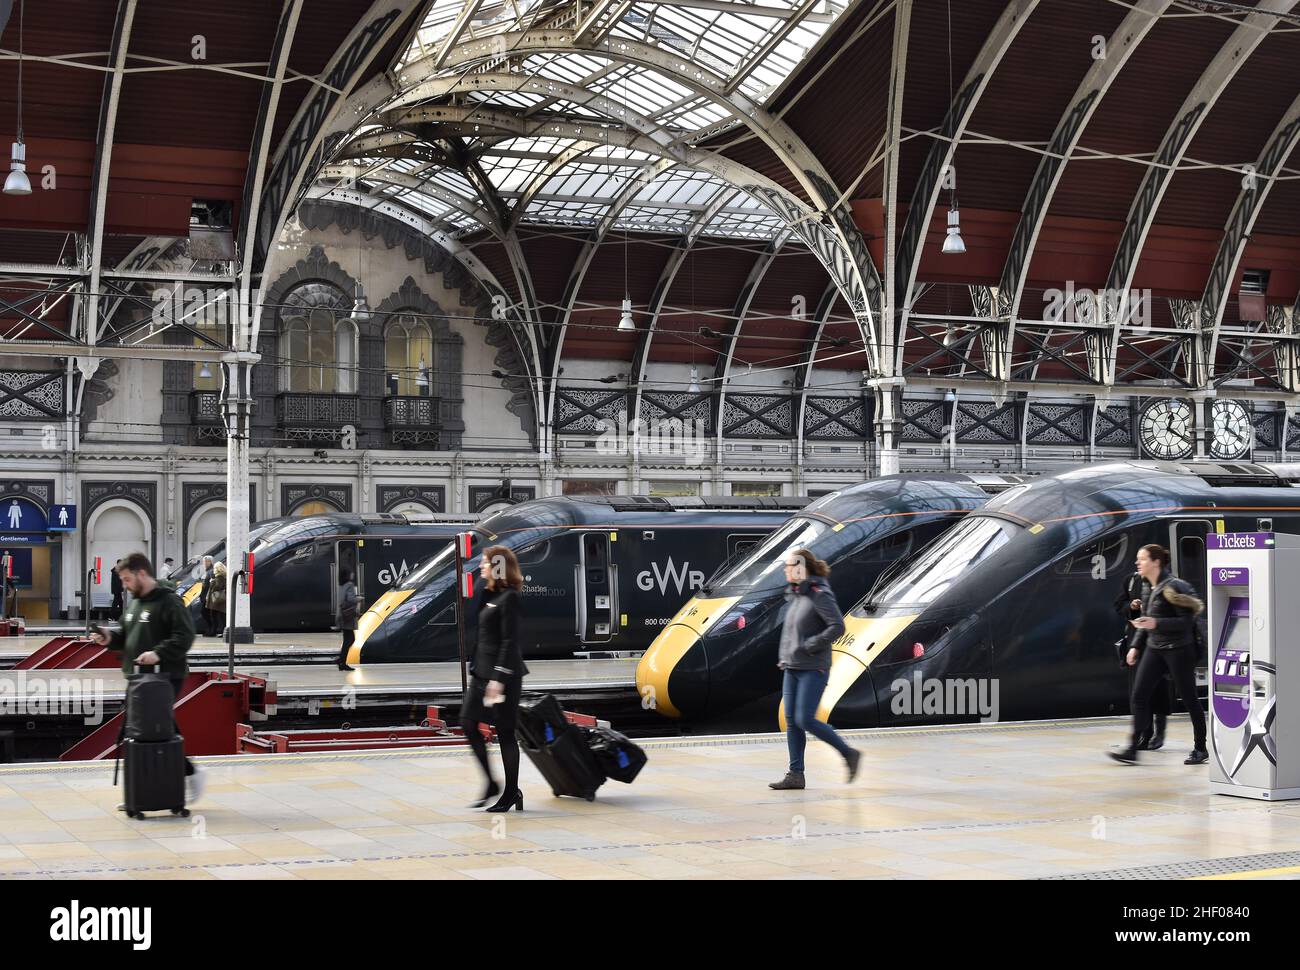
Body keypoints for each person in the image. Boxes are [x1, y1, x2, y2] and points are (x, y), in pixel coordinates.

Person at [89, 552, 203, 802]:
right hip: (138, 678)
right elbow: (126, 636)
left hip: (165, 676)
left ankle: (187, 774)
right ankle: (139, 791)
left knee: (158, 728)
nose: (125, 586)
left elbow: (185, 636)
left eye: (128, 580)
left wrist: (158, 654)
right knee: (139, 731)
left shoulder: (169, 601)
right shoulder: (135, 603)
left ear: (142, 574)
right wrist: (109, 637)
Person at [769, 548, 861, 790]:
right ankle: (795, 774)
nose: (786, 569)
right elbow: (791, 631)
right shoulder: (798, 595)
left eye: (789, 566)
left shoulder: (820, 594)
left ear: (802, 568)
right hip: (792, 667)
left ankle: (848, 753)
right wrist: (785, 656)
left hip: (814, 668)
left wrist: (812, 644)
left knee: (805, 718)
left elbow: (837, 626)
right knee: (792, 721)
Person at [1109, 544, 1208, 766]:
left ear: (1156, 562)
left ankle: (1200, 748)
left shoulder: (1176, 587)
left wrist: (1157, 622)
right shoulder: (1146, 585)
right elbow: (1145, 620)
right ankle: (1133, 749)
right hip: (1155, 648)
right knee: (1139, 696)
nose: (1137, 563)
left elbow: (1186, 622)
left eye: (1142, 559)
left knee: (1190, 698)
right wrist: (1135, 646)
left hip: (1179, 649)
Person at [461, 545, 528, 812]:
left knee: (505, 733)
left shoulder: (509, 598)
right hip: (481, 673)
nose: (481, 566)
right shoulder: (489, 594)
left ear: (498, 567)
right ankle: (491, 782)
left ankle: (511, 792)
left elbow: (510, 642)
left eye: (486, 563)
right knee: (467, 723)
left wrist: (498, 678)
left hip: (503, 677)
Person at [1112, 568, 1171, 749]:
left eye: (1143, 559)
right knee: (1138, 691)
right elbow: (1118, 605)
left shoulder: (1167, 582)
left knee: (1159, 688)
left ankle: (1159, 732)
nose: (1138, 563)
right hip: (1136, 641)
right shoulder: (1130, 580)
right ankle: (1145, 733)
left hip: (1159, 642)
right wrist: (1131, 606)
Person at [337, 568, 358, 671]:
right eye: (351, 572)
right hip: (348, 616)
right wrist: (359, 598)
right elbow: (350, 599)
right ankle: (342, 661)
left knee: (347, 639)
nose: (352, 574)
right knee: (350, 639)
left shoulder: (341, 585)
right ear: (348, 575)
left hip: (342, 615)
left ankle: (341, 661)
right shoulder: (349, 585)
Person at [206, 561, 227, 639]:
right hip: (220, 599)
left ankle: (215, 631)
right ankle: (217, 631)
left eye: (215, 568)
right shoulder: (224, 576)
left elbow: (218, 587)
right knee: (221, 616)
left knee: (216, 616)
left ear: (217, 569)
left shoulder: (219, 577)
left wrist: (212, 583)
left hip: (217, 599)